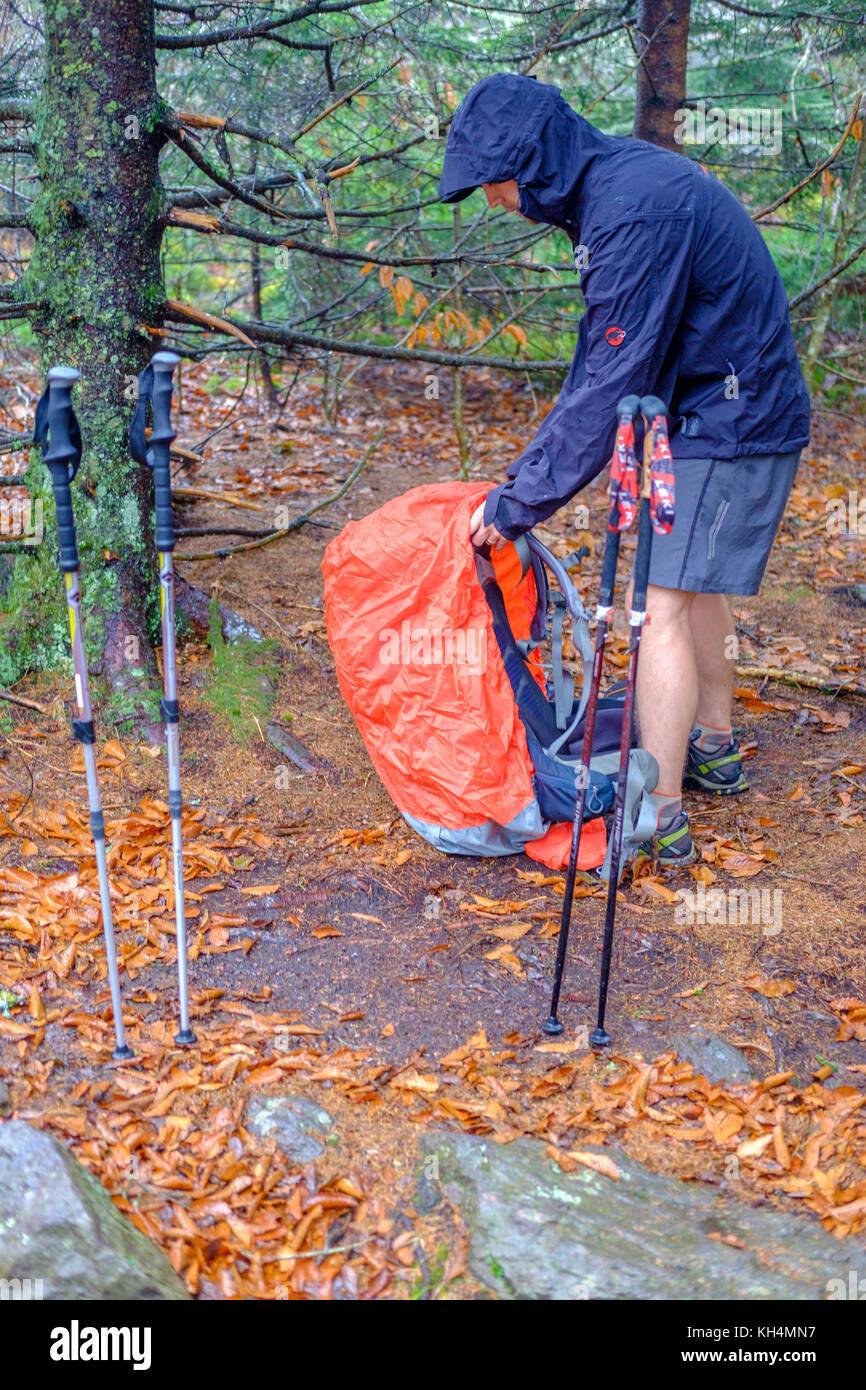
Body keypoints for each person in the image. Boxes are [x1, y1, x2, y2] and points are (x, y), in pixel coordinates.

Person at [440, 72, 810, 866]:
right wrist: (525, 477)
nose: (492, 200)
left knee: (659, 606)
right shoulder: (613, 192)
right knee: (690, 585)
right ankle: (712, 745)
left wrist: (516, 505)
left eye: (492, 181)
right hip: (715, 411)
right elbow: (601, 362)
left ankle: (660, 812)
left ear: (532, 161)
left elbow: (612, 377)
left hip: (734, 416)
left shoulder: (633, 205)